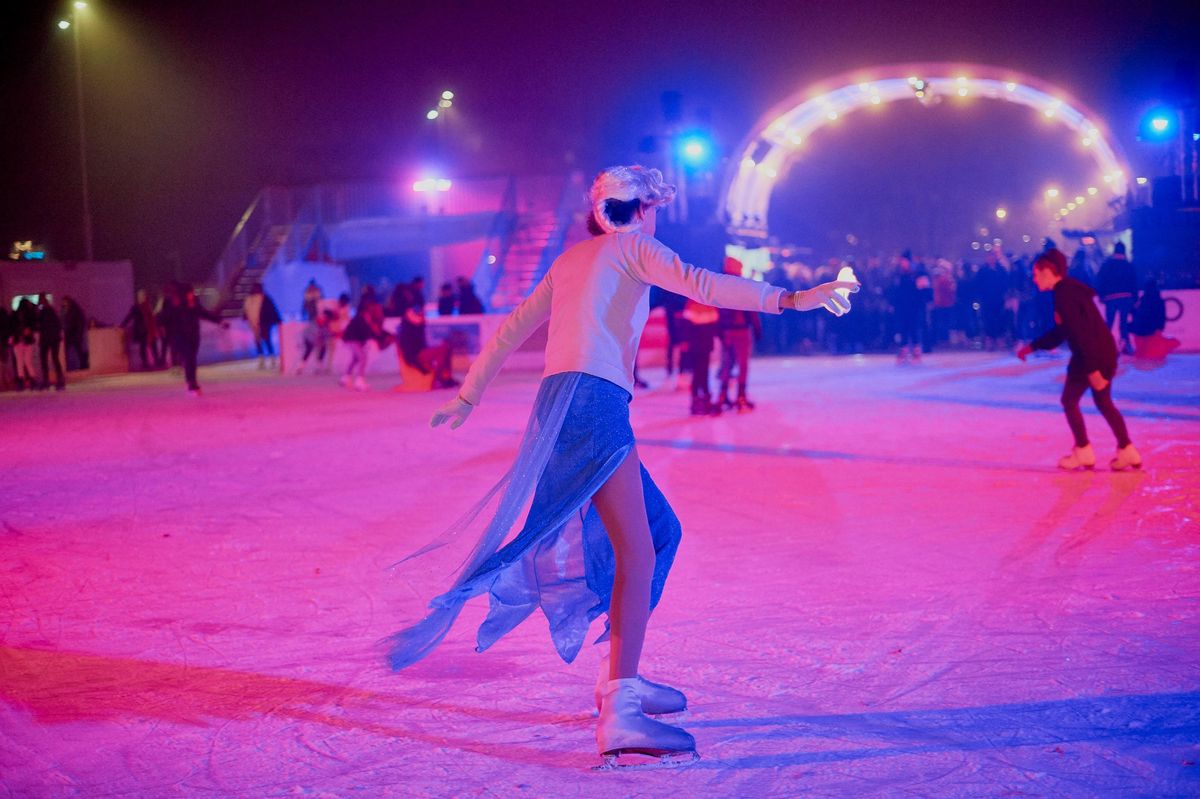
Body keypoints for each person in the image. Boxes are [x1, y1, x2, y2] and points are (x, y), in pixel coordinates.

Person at [386, 165, 858, 767]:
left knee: (659, 532)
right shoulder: (636, 247)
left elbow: (510, 331)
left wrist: (468, 394)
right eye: (654, 208)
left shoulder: (571, 260)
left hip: (564, 402)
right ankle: (622, 710)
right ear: (641, 210)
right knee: (638, 549)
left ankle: (621, 682)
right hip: (594, 402)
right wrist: (790, 297)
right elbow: (705, 285)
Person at [1017, 249, 1141, 471]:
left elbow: (1077, 332)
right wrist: (1033, 346)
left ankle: (1084, 451)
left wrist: (1093, 369)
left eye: (1036, 273)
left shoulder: (1064, 294)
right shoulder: (1068, 291)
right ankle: (1127, 450)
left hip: (1090, 356)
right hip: (1102, 352)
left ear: (1047, 271)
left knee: (1069, 400)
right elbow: (1065, 330)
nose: (1034, 279)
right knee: (1103, 403)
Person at [716, 258, 762, 412]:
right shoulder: (743, 286)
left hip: (727, 331)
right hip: (741, 330)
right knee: (742, 364)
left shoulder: (720, 285)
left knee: (727, 363)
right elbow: (751, 309)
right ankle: (740, 396)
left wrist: (719, 330)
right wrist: (757, 329)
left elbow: (717, 309)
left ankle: (722, 395)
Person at [175, 285, 229, 395]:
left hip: (194, 336)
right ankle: (192, 382)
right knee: (189, 357)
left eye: (192, 293)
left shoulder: (195, 305)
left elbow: (206, 314)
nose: (192, 295)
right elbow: (167, 319)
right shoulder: (177, 307)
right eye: (190, 293)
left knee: (192, 359)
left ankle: (190, 380)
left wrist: (220, 321)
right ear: (184, 295)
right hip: (181, 337)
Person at [398, 298, 457, 389]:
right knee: (443, 349)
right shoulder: (407, 329)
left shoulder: (417, 326)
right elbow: (409, 352)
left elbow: (422, 343)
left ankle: (445, 376)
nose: (422, 315)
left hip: (421, 353)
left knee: (446, 347)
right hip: (416, 357)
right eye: (418, 313)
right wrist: (421, 367)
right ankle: (442, 378)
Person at [1096, 241, 1138, 354]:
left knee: (1109, 322)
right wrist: (1135, 298)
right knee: (1123, 323)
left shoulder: (1107, 265)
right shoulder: (1128, 266)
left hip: (1111, 298)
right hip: (1126, 297)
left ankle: (1104, 345)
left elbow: (1100, 280)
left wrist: (1101, 295)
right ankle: (1125, 344)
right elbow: (1134, 282)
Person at [1129, 279, 1180, 363]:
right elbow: (1161, 315)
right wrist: (1160, 327)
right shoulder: (1158, 300)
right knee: (1149, 350)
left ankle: (1142, 352)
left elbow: (1134, 312)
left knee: (1142, 352)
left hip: (1139, 329)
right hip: (1151, 328)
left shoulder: (1142, 300)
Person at [122, 290, 163, 370]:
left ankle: (155, 361)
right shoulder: (136, 307)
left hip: (149, 330)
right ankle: (146, 362)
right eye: (142, 296)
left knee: (152, 345)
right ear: (138, 297)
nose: (144, 297)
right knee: (143, 346)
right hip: (142, 330)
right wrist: (122, 325)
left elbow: (151, 317)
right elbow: (130, 316)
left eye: (144, 295)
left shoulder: (147, 306)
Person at [243, 283, 281, 370]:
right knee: (258, 342)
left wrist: (277, 320)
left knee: (267, 340)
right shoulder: (249, 299)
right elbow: (247, 310)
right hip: (254, 324)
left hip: (264, 323)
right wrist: (246, 317)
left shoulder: (265, 299)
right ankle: (262, 360)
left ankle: (272, 360)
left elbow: (272, 310)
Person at [36, 295, 65, 391]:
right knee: (54, 358)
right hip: (53, 338)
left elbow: (39, 324)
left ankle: (47, 380)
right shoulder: (51, 311)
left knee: (45, 359)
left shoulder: (42, 312)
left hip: (47, 338)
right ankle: (59, 380)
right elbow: (58, 324)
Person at [10, 298, 39, 391]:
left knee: (20, 362)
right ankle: (32, 380)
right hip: (26, 340)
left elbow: (11, 327)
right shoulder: (30, 316)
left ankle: (21, 382)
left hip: (18, 340)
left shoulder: (14, 315)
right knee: (27, 361)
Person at [61, 296, 89, 371]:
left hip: (73, 334)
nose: (63, 303)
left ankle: (82, 365)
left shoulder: (74, 311)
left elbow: (77, 323)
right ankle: (80, 365)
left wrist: (78, 333)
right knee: (75, 351)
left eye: (64, 302)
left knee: (77, 350)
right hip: (71, 334)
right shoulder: (68, 310)